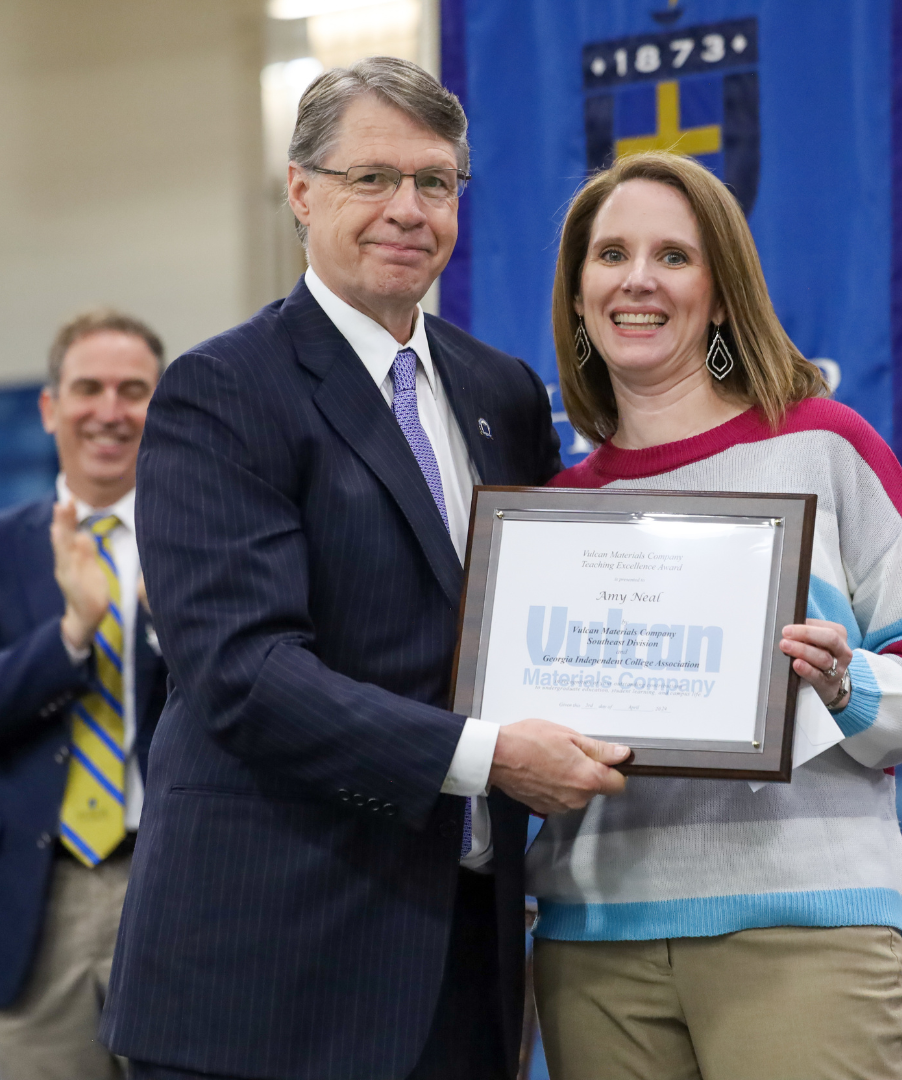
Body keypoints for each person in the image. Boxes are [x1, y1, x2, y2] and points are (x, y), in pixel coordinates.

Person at [100, 57, 629, 1080]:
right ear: (302, 192)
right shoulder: (221, 391)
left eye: (435, 182)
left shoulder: (504, 392)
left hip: (462, 965)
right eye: (372, 178)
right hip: (268, 978)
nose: (408, 209)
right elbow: (245, 673)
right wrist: (487, 757)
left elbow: (551, 615)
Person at [525, 151, 902, 1080]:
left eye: (674, 256)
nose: (638, 280)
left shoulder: (824, 444)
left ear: (722, 295)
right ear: (577, 295)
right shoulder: (553, 514)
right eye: (611, 255)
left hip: (802, 932)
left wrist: (845, 682)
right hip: (592, 947)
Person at [0, 309, 169, 1080]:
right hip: (35, 910)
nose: (110, 410)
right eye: (88, 388)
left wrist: (173, 629)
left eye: (133, 391)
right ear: (49, 407)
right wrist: (72, 632)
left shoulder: (203, 543)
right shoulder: (5, 547)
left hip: (172, 891)